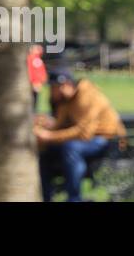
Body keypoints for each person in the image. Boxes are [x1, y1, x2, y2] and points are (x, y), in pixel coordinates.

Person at [35, 70, 126, 201]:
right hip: (83, 141)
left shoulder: (88, 96)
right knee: (46, 153)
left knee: (71, 148)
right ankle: (45, 197)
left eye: (53, 88)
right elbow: (58, 125)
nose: (51, 93)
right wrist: (43, 128)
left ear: (65, 85)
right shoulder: (65, 100)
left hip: (106, 140)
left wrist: (49, 136)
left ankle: (74, 198)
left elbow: (84, 133)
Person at [27, 44, 47, 110]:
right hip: (33, 84)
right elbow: (31, 71)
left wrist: (41, 81)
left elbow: (41, 71)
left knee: (34, 100)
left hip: (36, 84)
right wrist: (33, 82)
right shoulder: (31, 59)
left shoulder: (37, 59)